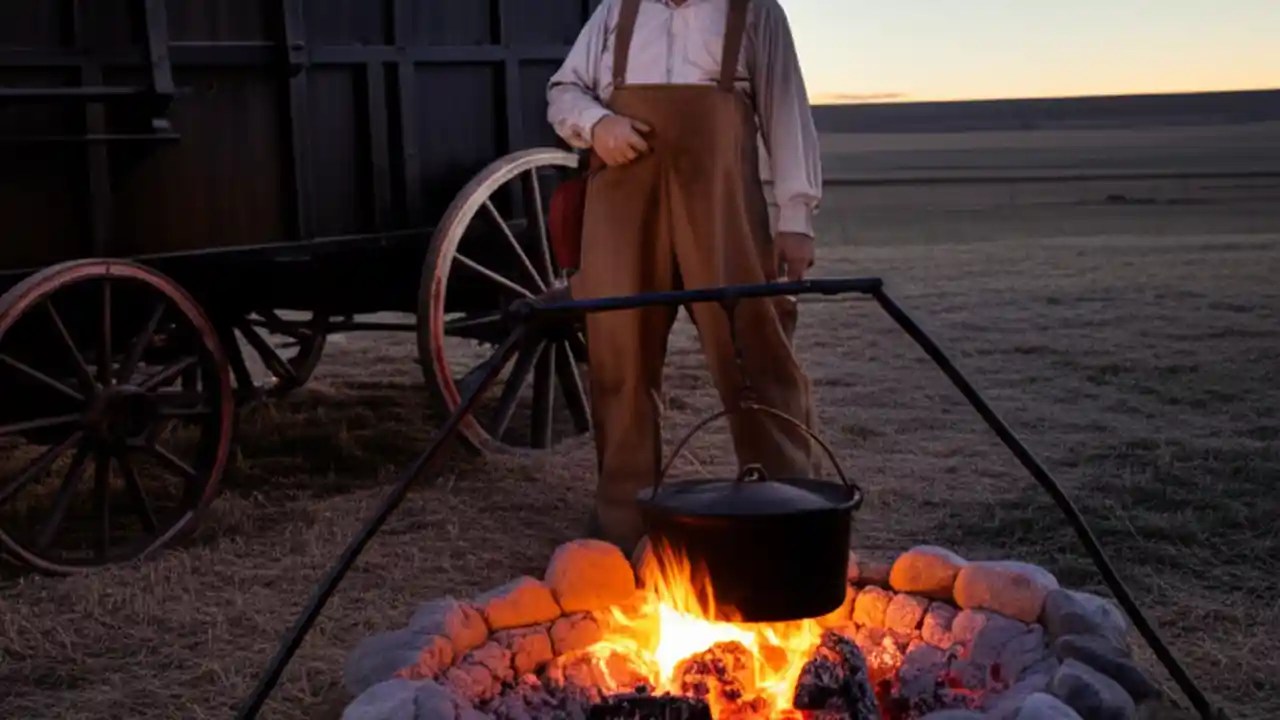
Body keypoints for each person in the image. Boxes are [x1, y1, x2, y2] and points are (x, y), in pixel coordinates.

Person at [546, 0, 823, 553]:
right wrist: (598, 124)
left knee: (753, 346)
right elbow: (563, 90)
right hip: (624, 206)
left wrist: (796, 218)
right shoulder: (615, 13)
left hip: (720, 208)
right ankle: (623, 532)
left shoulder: (755, 13)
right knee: (620, 355)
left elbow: (786, 111)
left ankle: (788, 518)